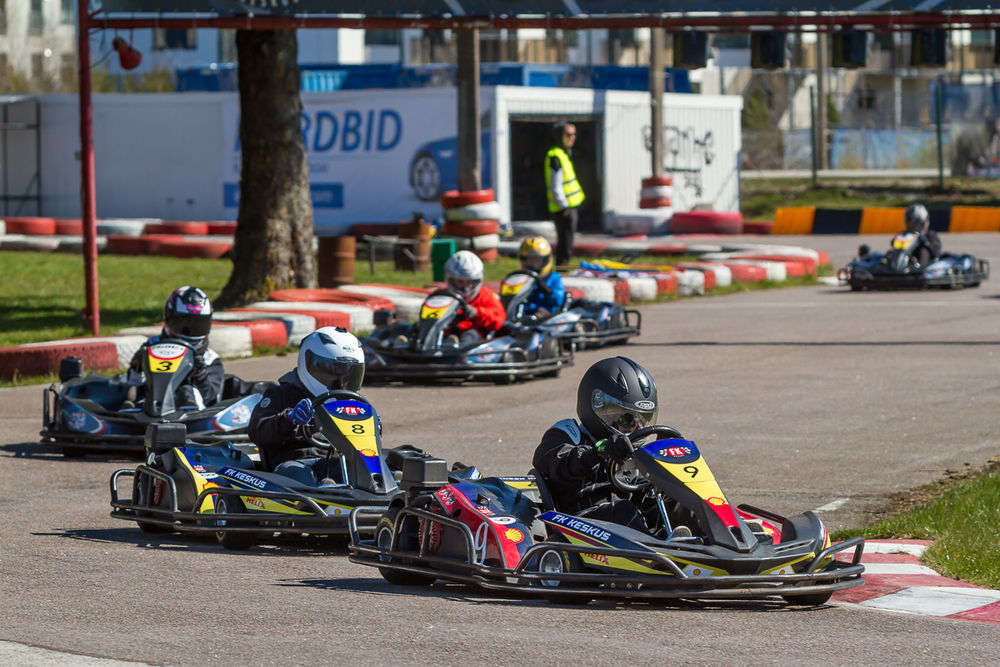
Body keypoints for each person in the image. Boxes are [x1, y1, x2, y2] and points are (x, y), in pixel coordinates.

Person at [533, 357, 674, 536]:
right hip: (582, 522)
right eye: (627, 418)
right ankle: (658, 557)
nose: (636, 426)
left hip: (627, 520)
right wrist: (600, 451)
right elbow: (552, 462)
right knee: (623, 510)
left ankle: (703, 545)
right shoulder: (568, 434)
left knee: (676, 501)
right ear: (597, 406)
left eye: (643, 418)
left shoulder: (633, 448)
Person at [248, 326, 368, 472]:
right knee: (297, 472)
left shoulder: (350, 402)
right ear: (310, 363)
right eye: (334, 373)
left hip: (337, 462)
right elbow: (257, 431)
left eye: (349, 375)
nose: (342, 383)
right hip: (296, 464)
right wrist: (288, 420)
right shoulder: (280, 394)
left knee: (390, 461)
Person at [127, 286, 224, 408]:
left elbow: (211, 398)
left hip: (191, 413)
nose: (190, 330)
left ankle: (188, 406)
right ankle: (135, 408)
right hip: (149, 404)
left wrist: (200, 374)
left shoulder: (209, 358)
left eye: (197, 324)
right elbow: (133, 382)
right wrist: (136, 368)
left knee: (186, 391)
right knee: (134, 392)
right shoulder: (150, 346)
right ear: (168, 318)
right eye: (183, 324)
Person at [443, 250, 506, 345]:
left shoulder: (487, 296)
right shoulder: (443, 295)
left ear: (476, 281)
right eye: (460, 282)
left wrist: (476, 312)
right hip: (447, 334)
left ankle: (458, 354)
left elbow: (498, 320)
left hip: (475, 339)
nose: (465, 287)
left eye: (469, 282)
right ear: (451, 280)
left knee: (470, 335)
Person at [545, 122, 586, 267]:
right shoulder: (556, 156)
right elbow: (556, 186)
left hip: (568, 206)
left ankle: (563, 267)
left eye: (574, 134)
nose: (572, 138)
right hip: (564, 208)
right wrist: (564, 206)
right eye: (568, 135)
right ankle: (562, 268)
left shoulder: (562, 154)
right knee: (565, 241)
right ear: (559, 136)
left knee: (567, 241)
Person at [517, 236, 566, 318]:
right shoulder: (519, 278)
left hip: (546, 317)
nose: (532, 264)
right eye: (529, 260)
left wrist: (546, 289)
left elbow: (558, 301)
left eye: (536, 260)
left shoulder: (554, 278)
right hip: (523, 314)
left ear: (545, 260)